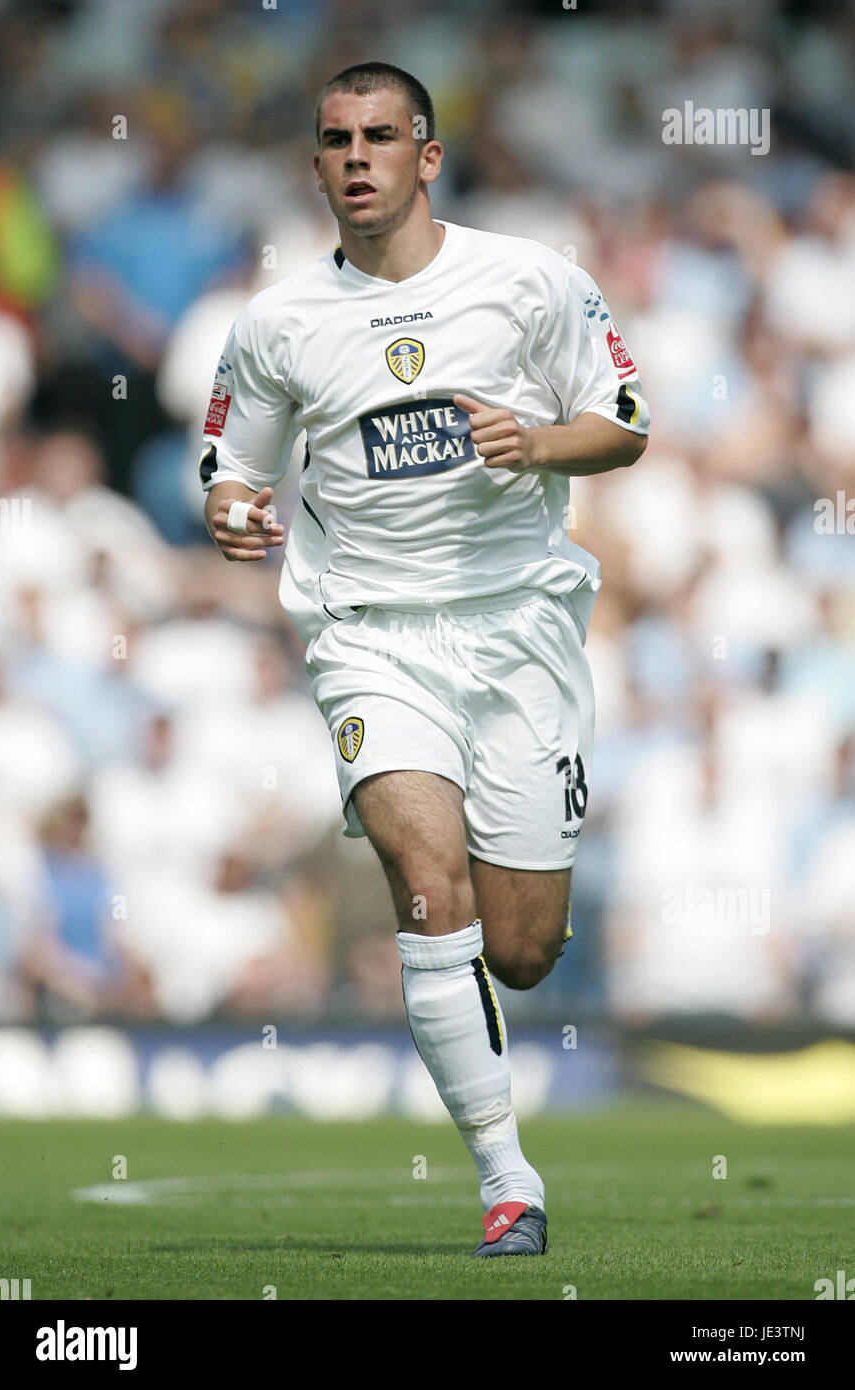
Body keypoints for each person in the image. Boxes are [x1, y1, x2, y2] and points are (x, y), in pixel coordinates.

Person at [200, 62, 649, 1257]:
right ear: (315, 166)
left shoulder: (532, 281)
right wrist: (233, 509)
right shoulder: (278, 321)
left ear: (427, 155)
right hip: (368, 636)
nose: (356, 157)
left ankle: (503, 1064)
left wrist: (540, 439)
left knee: (522, 947)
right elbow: (231, 463)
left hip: (518, 631)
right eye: (335, 140)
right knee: (426, 887)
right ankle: (507, 1181)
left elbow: (626, 423)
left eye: (380, 136)